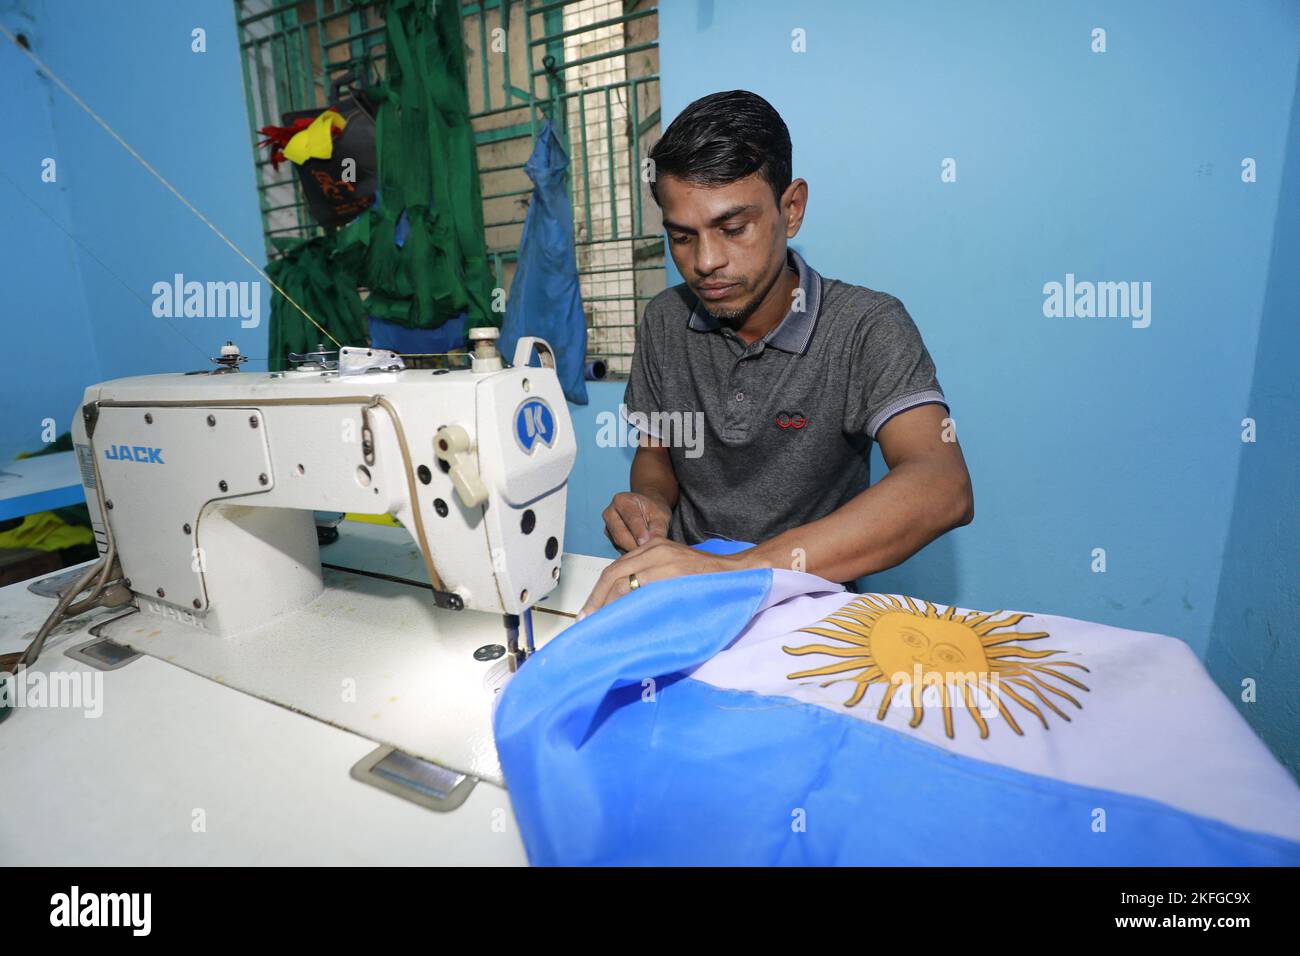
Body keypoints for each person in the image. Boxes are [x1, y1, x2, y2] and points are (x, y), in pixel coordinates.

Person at [579, 90, 973, 618]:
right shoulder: (665, 321)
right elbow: (658, 452)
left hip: (809, 608)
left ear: (792, 209)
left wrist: (733, 570)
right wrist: (651, 507)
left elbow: (941, 486)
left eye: (733, 228)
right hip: (690, 598)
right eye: (681, 237)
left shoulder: (865, 326)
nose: (706, 262)